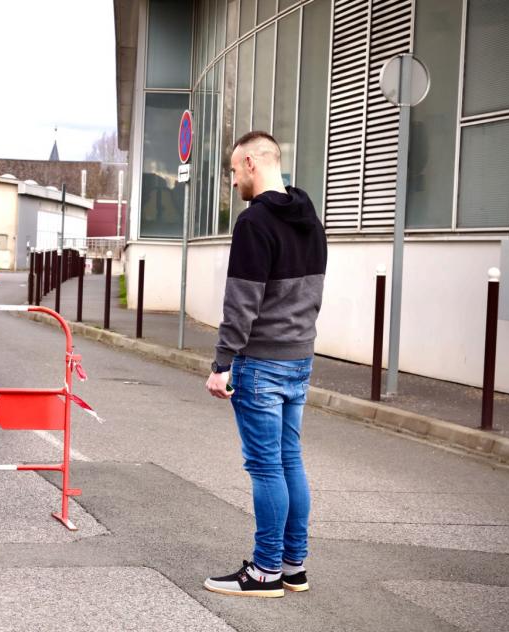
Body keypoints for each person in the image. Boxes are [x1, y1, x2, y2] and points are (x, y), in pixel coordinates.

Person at [203, 131, 328, 598]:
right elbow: (312, 292)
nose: (234, 181)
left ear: (253, 163)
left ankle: (264, 571)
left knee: (266, 468)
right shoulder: (310, 218)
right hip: (299, 359)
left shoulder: (254, 223)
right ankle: (294, 566)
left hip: (260, 364)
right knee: (289, 461)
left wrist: (222, 363)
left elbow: (242, 302)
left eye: (235, 170)